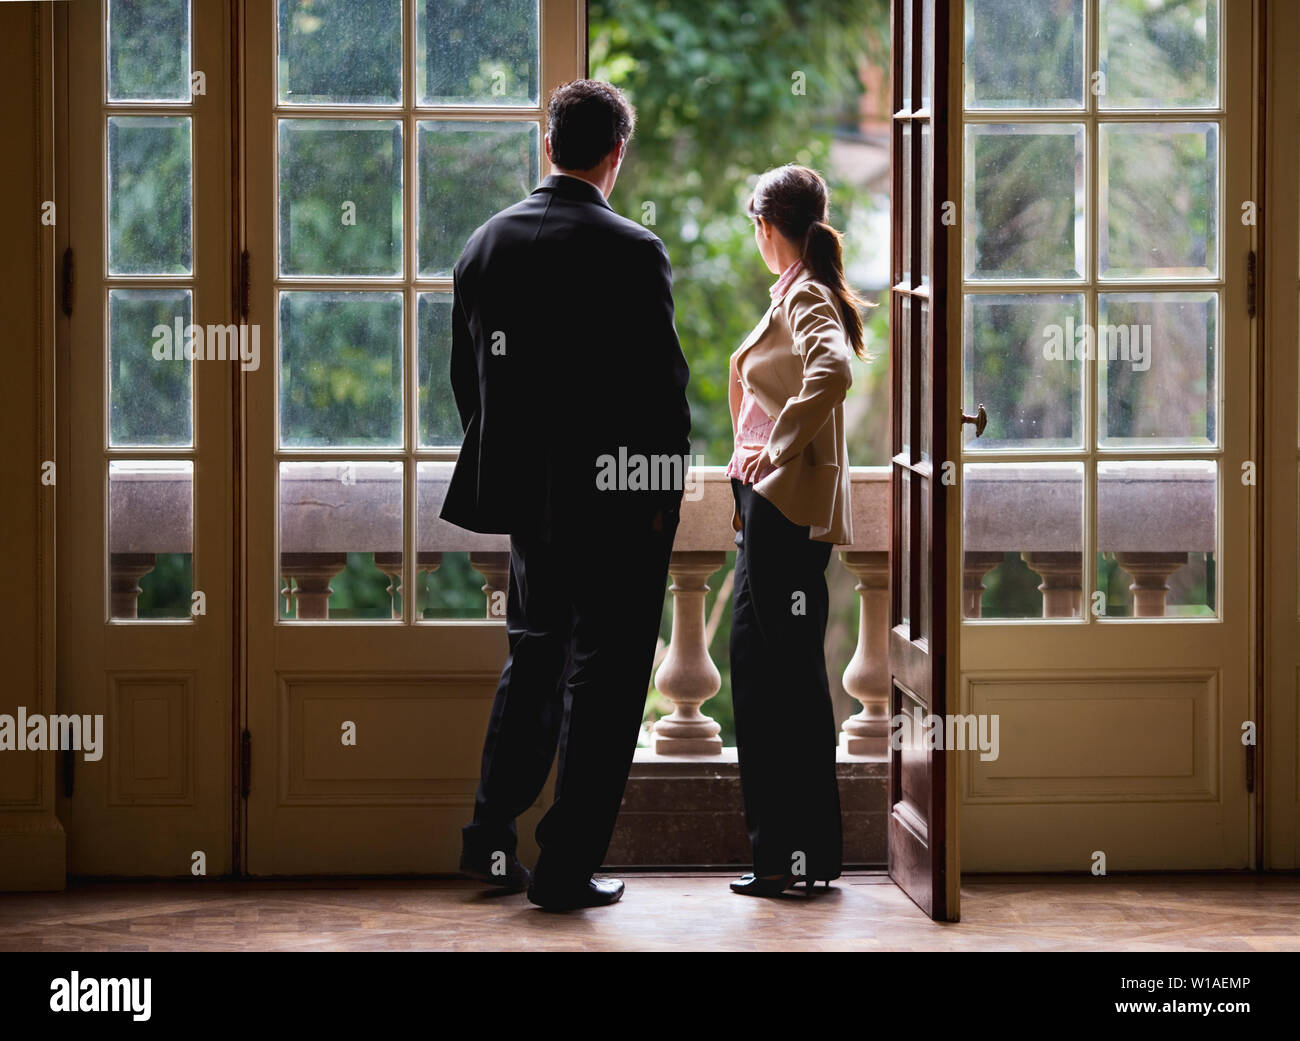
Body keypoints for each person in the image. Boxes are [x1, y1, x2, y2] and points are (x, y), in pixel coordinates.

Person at [442, 80, 691, 911]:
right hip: (616, 505)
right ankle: (564, 865)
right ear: (614, 154)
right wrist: (661, 498)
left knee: (534, 658)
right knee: (610, 679)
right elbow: (663, 395)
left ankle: (488, 838)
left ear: (547, 145)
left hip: (527, 504)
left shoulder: (483, 246)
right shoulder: (633, 249)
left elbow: (469, 391)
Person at [726, 164, 870, 897]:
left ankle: (791, 854)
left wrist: (772, 447)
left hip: (779, 508)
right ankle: (796, 854)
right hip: (773, 509)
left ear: (766, 228)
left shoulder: (805, 294)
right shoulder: (799, 290)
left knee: (773, 679)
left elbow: (833, 371)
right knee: (775, 676)